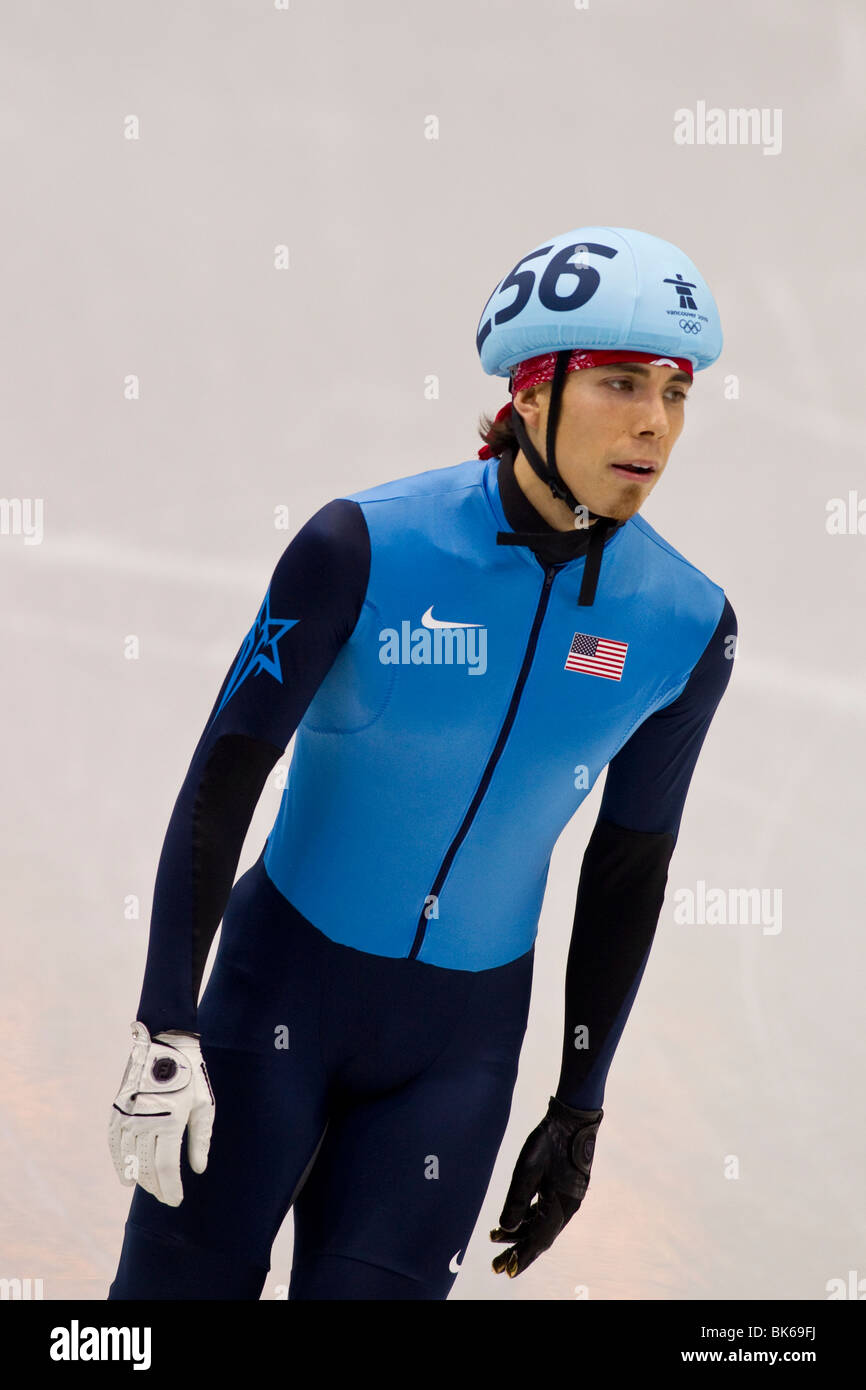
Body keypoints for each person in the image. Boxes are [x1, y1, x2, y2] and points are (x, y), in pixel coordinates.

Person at [107, 225, 737, 1300]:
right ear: (529, 393)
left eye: (675, 393)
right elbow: (225, 774)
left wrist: (578, 1102)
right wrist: (166, 1022)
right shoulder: (360, 547)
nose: (652, 423)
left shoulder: (686, 625)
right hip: (271, 1003)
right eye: (621, 383)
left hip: (455, 1059)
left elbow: (627, 869)